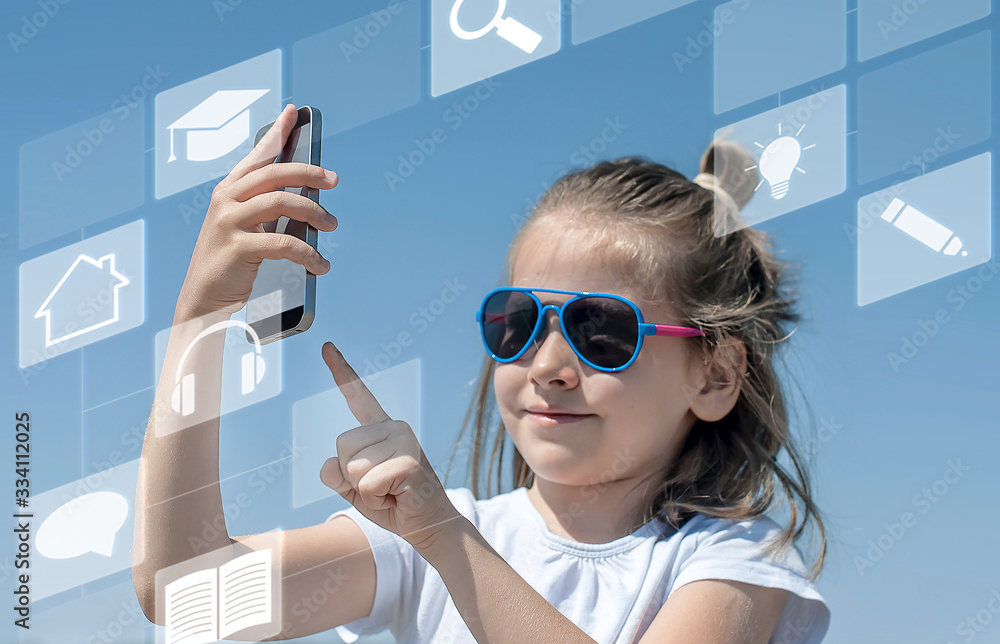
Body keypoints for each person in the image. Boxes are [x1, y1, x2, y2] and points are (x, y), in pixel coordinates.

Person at [132, 103, 831, 643]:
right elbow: (187, 593)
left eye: (602, 331)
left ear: (714, 376)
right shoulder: (425, 539)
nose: (550, 365)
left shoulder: (737, 560)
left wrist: (446, 541)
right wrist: (202, 314)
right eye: (518, 322)